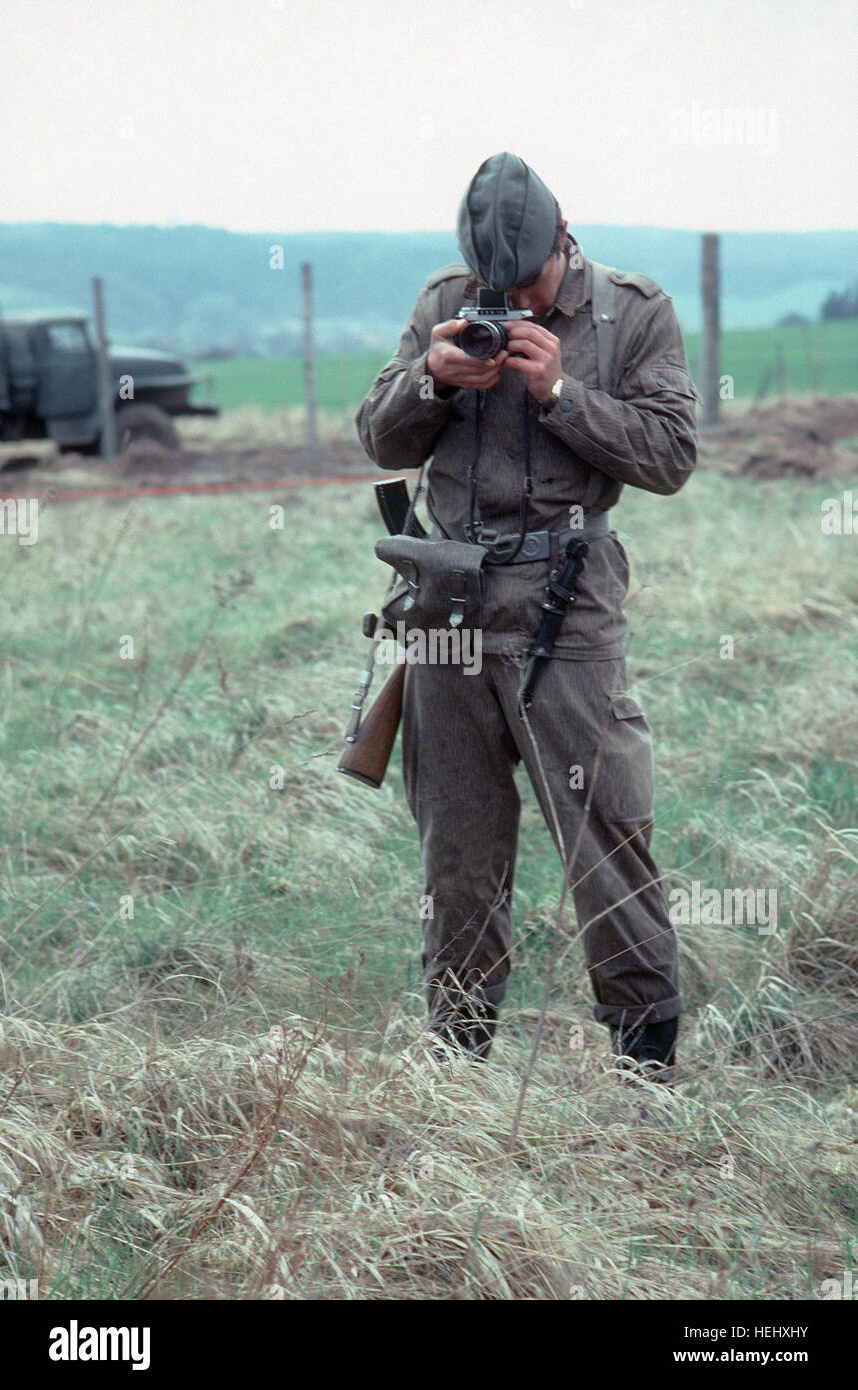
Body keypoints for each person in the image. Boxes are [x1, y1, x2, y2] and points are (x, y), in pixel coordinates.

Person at [356, 152, 699, 1085]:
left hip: (567, 605)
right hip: (448, 605)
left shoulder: (631, 312)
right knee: (456, 850)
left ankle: (644, 1068)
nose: (507, 304)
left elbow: (670, 456)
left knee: (605, 833)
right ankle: (458, 1063)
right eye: (492, 288)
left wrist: (560, 394)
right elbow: (376, 439)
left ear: (563, 240)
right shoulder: (444, 300)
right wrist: (428, 380)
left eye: (528, 286)